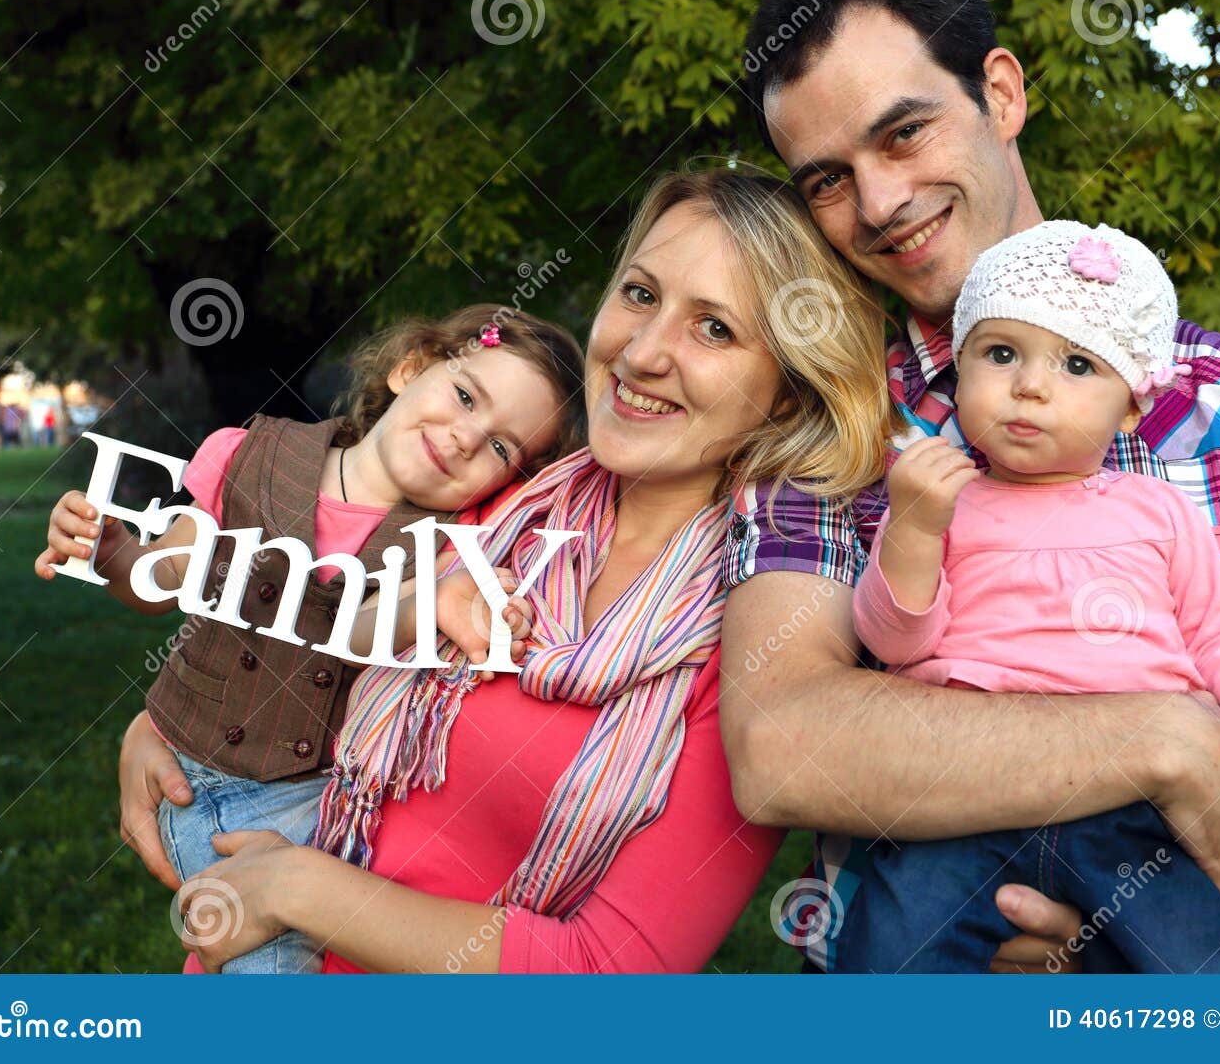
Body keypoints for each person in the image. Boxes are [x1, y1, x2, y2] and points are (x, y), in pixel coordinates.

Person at [720, 0, 1220, 973]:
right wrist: (1162, 737)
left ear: (1001, 93)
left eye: (904, 132)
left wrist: (1133, 944)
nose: (880, 202)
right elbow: (782, 745)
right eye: (829, 180)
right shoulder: (827, 427)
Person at [118, 168, 895, 973]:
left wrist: (301, 890)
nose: (641, 352)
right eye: (639, 293)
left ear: (788, 395)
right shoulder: (503, 501)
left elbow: (606, 971)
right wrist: (171, 722)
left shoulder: (759, 635)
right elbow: (308, 622)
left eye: (715, 329)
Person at [840, 221, 1220, 973]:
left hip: (1133, 814)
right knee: (889, 952)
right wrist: (912, 530)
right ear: (962, 371)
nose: (1029, 385)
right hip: (964, 795)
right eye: (1000, 353)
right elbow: (894, 643)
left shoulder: (1158, 511)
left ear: (1131, 409)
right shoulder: (941, 503)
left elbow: (1218, 629)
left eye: (1077, 364)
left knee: (1195, 966)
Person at [41, 304, 585, 972]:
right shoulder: (250, 456)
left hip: (317, 798)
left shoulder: (452, 542)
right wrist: (112, 553)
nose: (466, 437)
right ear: (410, 367)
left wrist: (437, 602)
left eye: (502, 447)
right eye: (466, 396)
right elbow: (163, 580)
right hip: (194, 775)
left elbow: (354, 631)